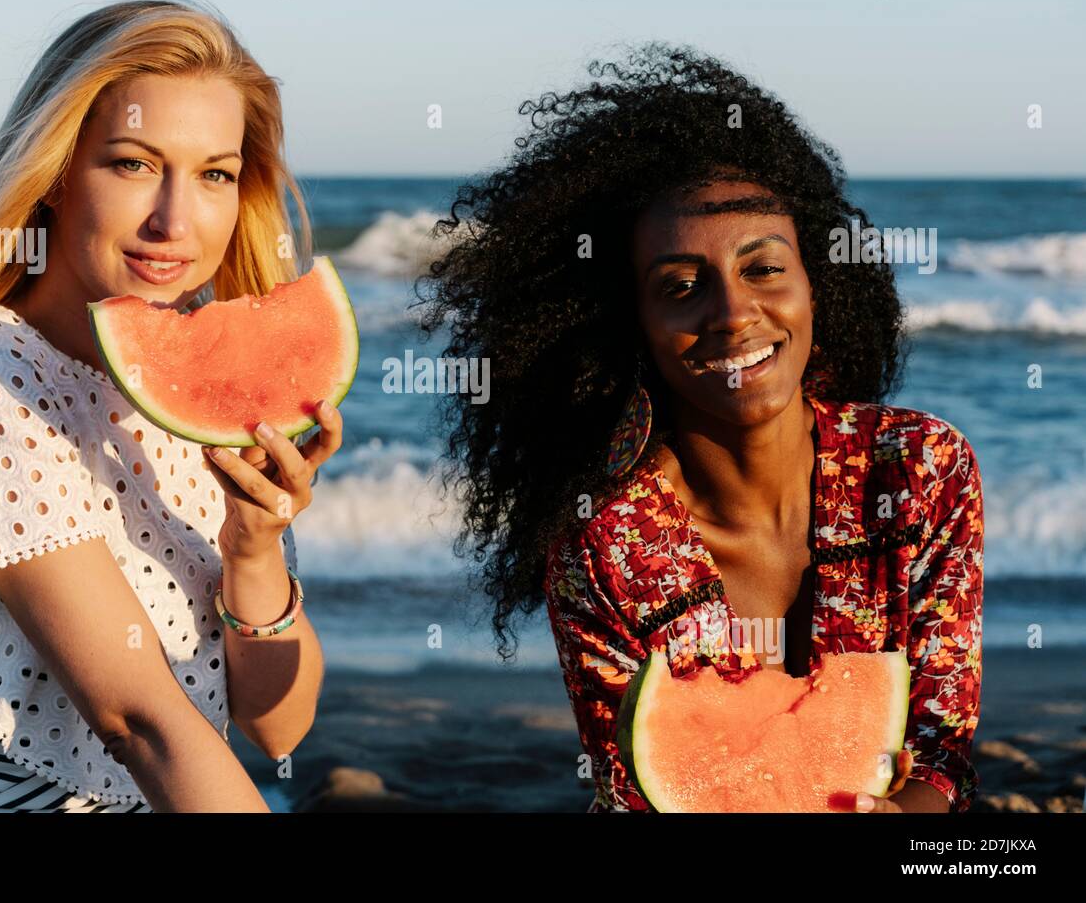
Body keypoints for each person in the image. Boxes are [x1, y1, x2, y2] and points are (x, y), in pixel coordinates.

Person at [416, 44, 982, 813]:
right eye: (681, 286)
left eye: (764, 268)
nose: (733, 313)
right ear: (631, 326)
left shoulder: (920, 469)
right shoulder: (604, 546)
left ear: (817, 283)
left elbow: (939, 757)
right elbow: (641, 793)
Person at [0, 0, 340, 812]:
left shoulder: (198, 389)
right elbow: (138, 721)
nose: (174, 220)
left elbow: (278, 728)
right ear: (54, 175)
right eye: (132, 164)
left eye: (215, 174)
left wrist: (254, 549)